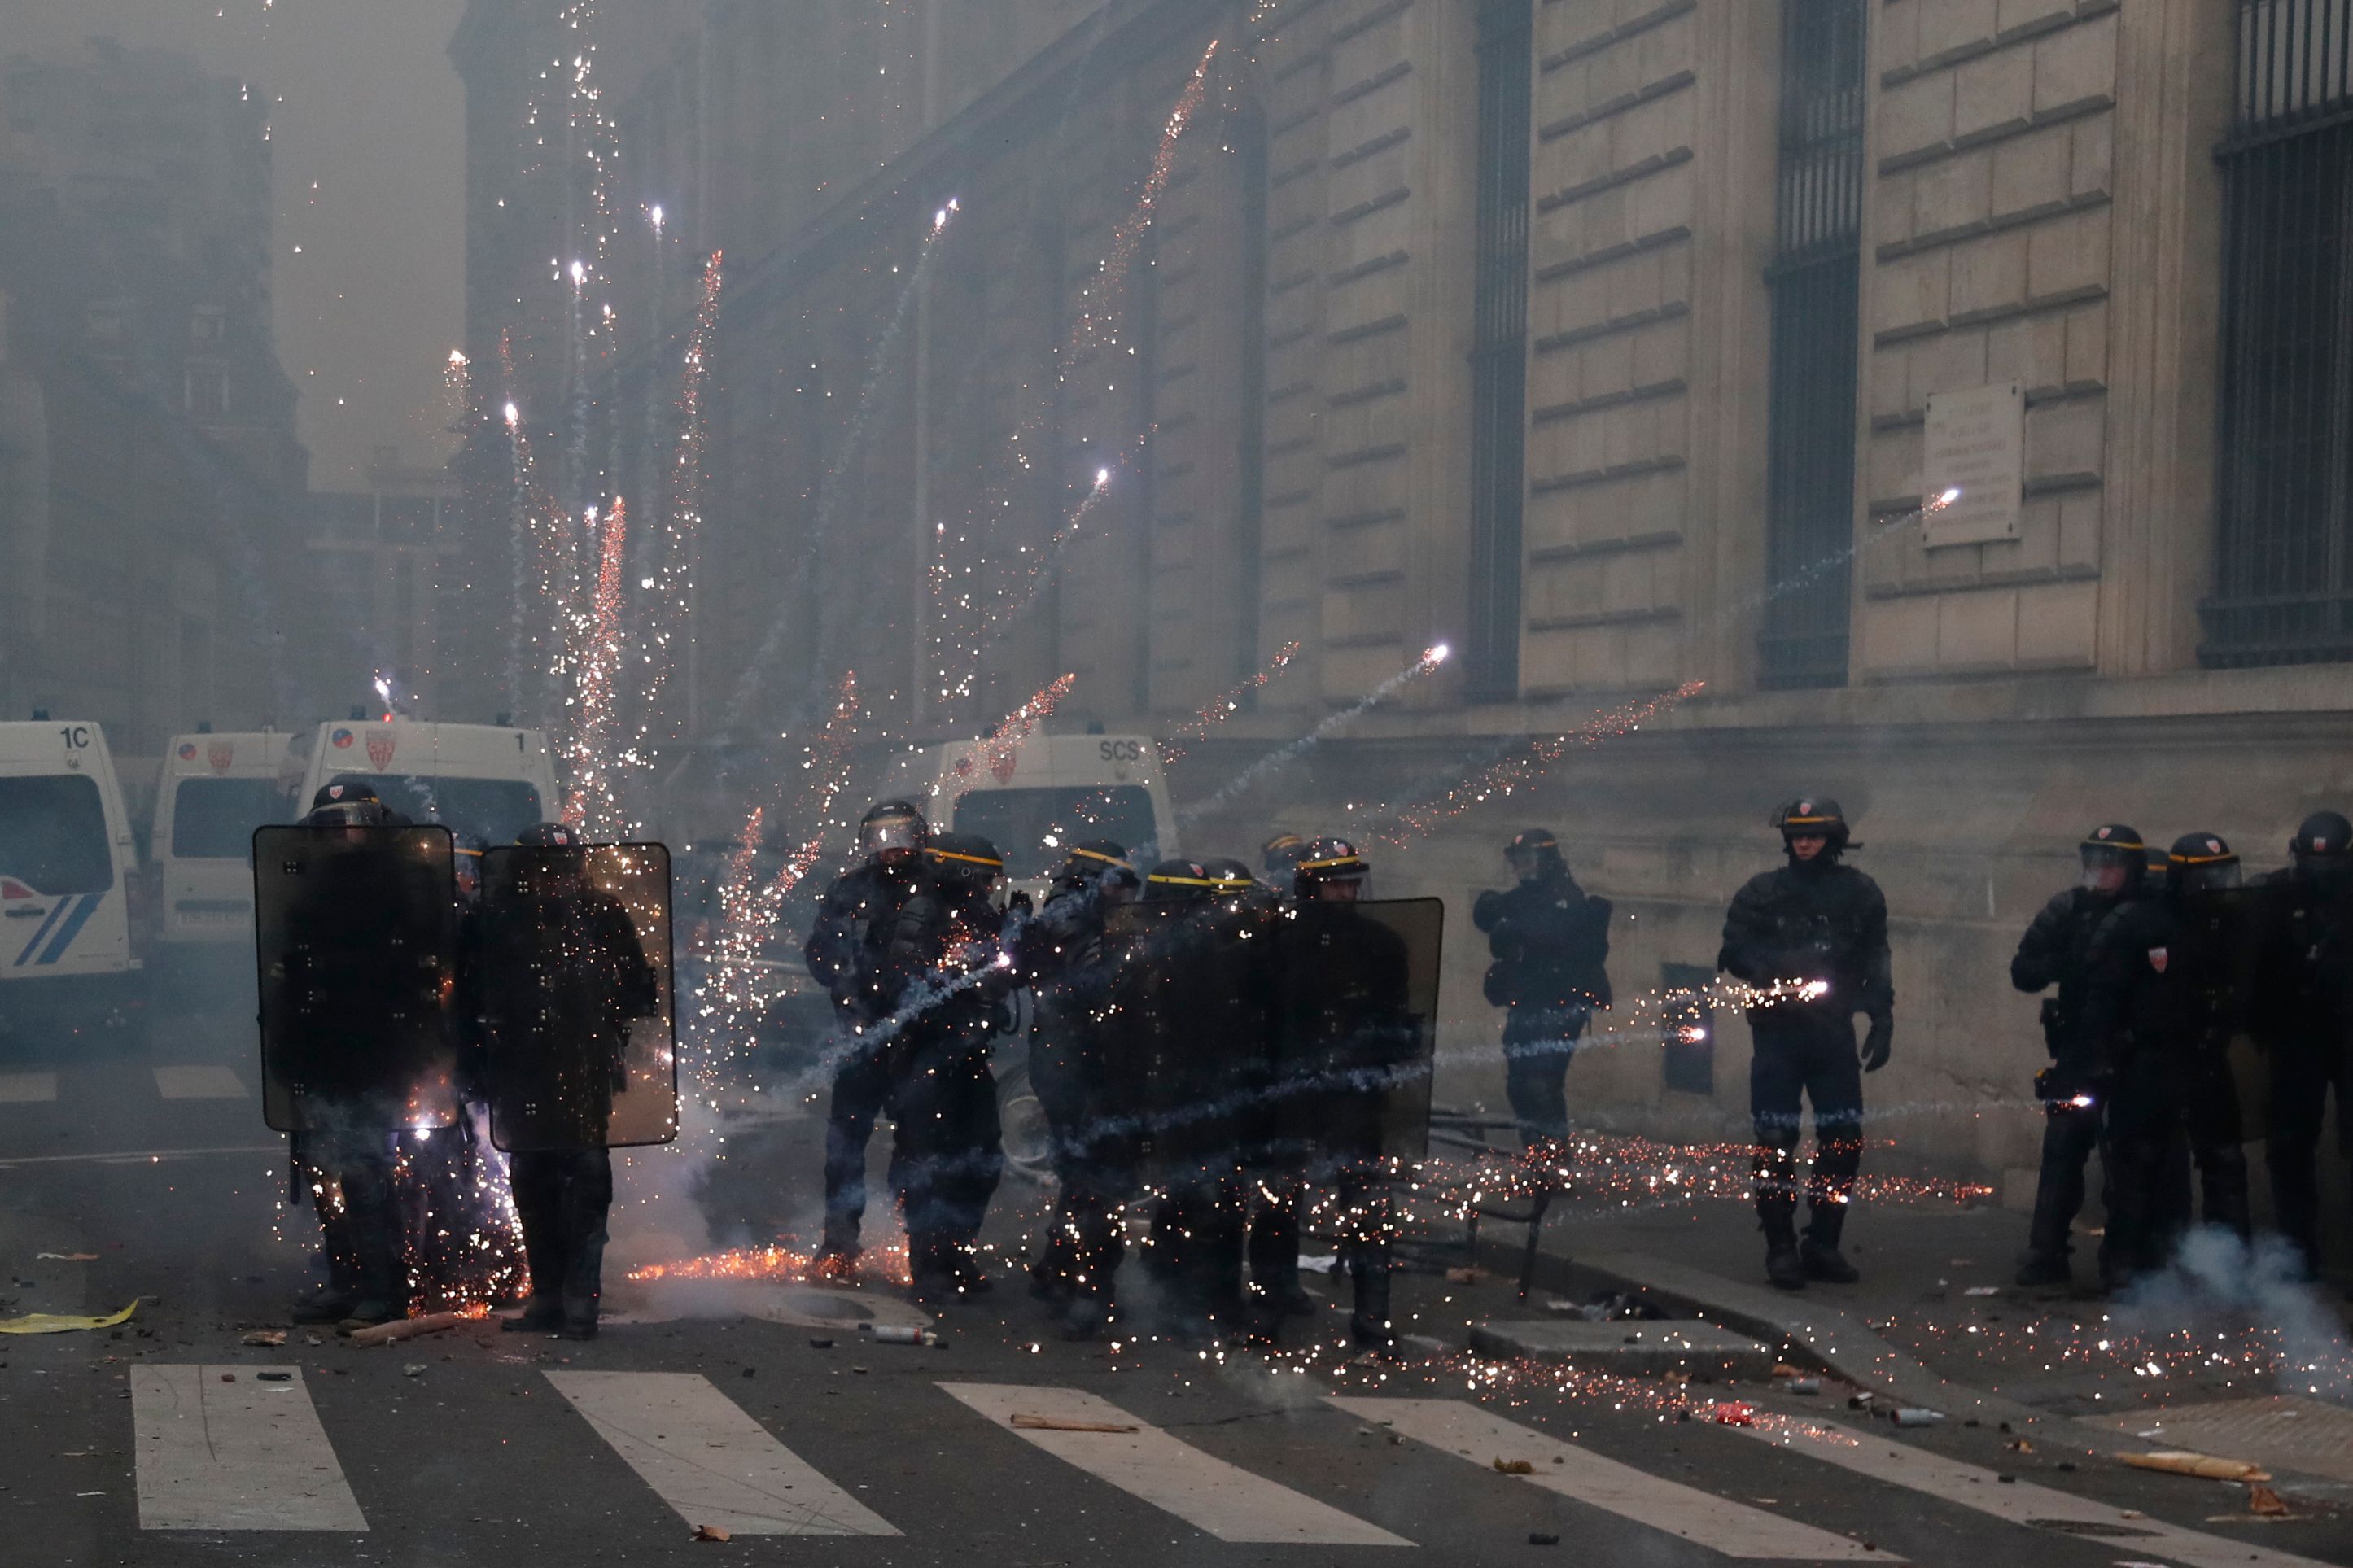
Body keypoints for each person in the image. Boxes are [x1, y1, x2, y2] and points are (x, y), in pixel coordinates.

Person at [271, 778, 438, 1330]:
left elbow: (425, 975)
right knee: (326, 1173)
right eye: (331, 828)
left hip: (378, 1055)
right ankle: (346, 1282)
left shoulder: (407, 888)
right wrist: (287, 1046)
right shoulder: (311, 892)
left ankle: (384, 1289)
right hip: (325, 1055)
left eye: (354, 825)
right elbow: (293, 977)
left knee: (367, 1172)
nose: (344, 837)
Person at [484, 822, 660, 1339]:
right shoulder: (499, 917)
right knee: (532, 1182)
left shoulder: (602, 913)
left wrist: (603, 1016)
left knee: (586, 1178)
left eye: (563, 870)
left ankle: (581, 1300)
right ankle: (547, 1296)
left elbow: (637, 987)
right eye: (544, 871)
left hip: (584, 1066)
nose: (554, 881)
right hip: (522, 1070)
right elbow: (474, 989)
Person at [1717, 798, 1893, 1291]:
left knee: (1843, 1139)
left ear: (1832, 839)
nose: (1805, 843)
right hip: (1777, 1033)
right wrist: (1776, 967)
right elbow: (1734, 950)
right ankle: (1780, 1247)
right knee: (1775, 1141)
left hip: (1832, 1032)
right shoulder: (1763, 892)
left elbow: (1876, 955)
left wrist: (1882, 1015)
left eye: (1814, 835)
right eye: (1797, 835)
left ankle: (1824, 1242)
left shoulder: (1859, 892)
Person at [2081, 832, 2255, 1287]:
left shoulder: (2230, 925)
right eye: (2206, 879)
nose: (2217, 888)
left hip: (2206, 1056)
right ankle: (2125, 1262)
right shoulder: (2143, 924)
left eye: (2223, 876)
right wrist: (2101, 1056)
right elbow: (2103, 996)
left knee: (2224, 1159)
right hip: (2152, 1061)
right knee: (2139, 1162)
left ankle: (2230, 1266)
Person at [1271, 838, 1420, 1351]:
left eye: (1351, 883)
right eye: (1335, 884)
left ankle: (1372, 1316)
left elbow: (1396, 1019)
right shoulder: (1278, 941)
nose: (1346, 892)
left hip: (1352, 1092)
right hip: (1291, 1089)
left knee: (1368, 1202)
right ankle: (1273, 1298)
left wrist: (1383, 1052)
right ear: (1310, 886)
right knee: (1279, 1194)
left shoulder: (1381, 943)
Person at [2008, 824, 2147, 1288]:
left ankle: (2123, 1256)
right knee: (2063, 1143)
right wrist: (2068, 962)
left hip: (2133, 1050)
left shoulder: (2148, 913)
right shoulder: (2068, 908)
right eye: (2095, 862)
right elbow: (2023, 971)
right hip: (2079, 1047)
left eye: (2112, 864)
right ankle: (2046, 1251)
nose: (2101, 872)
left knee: (2131, 1152)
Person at [802, 800, 937, 1277]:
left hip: (919, 1037)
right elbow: (819, 952)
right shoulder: (850, 889)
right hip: (861, 1038)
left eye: (901, 836)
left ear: (919, 837)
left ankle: (922, 1245)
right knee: (845, 1143)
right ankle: (839, 1242)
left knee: (919, 1143)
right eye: (882, 838)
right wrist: (846, 986)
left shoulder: (939, 886)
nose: (892, 848)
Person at [1017, 841, 1141, 1334]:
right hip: (1082, 1067)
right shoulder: (1076, 924)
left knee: (1080, 1178)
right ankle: (1087, 1291)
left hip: (1067, 1063)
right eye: (1118, 887)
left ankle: (1057, 1272)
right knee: (1098, 1181)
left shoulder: (1063, 919)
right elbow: (1097, 988)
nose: (1125, 899)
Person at [890, 831, 1012, 1297]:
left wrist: (1015, 933)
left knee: (982, 1155)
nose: (990, 889)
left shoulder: (979, 918)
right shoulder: (923, 913)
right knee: (929, 1159)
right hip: (929, 1057)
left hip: (968, 1057)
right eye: (985, 879)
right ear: (962, 874)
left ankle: (958, 1252)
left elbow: (1004, 977)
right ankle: (928, 1262)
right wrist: (959, 990)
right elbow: (907, 985)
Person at [2253, 811, 2353, 1282]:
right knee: (2289, 1145)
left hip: (2343, 1031)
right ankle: (2295, 1257)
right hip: (2296, 1032)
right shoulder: (2276, 894)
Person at [1472, 829, 1612, 1152]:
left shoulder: (1566, 897)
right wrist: (1491, 906)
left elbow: (1548, 934)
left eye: (1529, 860)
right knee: (1519, 1085)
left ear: (1547, 860)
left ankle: (1554, 1159)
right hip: (1528, 1002)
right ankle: (1537, 1154)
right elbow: (1487, 916)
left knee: (1542, 1083)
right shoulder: (1523, 897)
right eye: (1518, 861)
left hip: (1561, 1005)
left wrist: (1513, 928)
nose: (1522, 867)